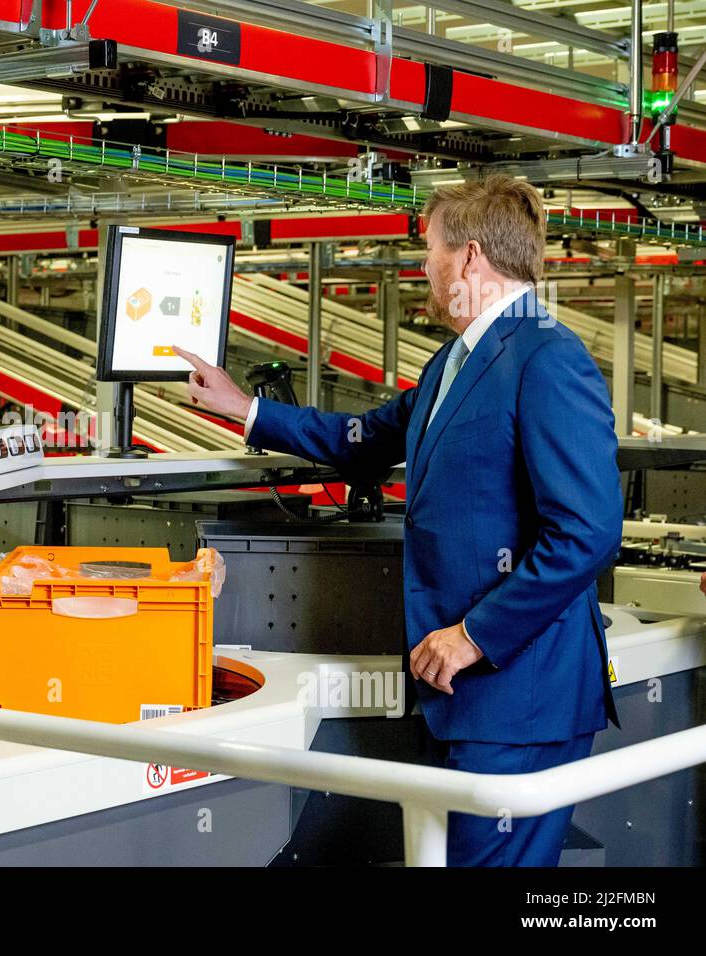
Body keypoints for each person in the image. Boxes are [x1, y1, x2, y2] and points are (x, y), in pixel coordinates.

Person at [174, 174, 623, 866]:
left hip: (518, 695)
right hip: (469, 698)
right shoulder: (459, 359)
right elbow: (366, 436)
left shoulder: (547, 358)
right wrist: (247, 410)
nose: (423, 268)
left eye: (430, 251)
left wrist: (474, 636)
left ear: (470, 258)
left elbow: (587, 531)